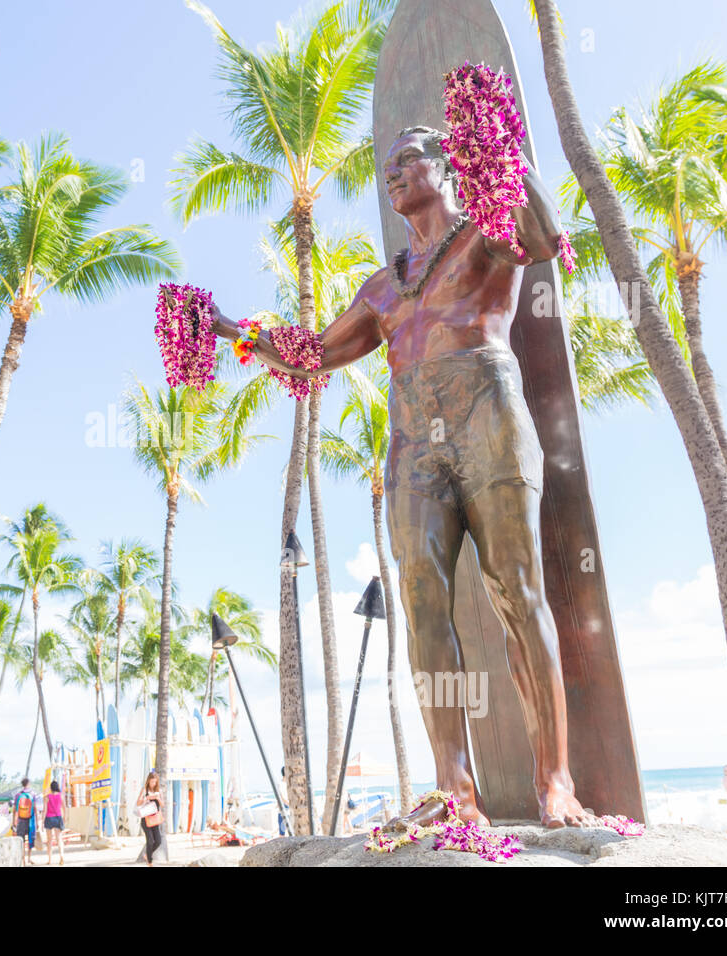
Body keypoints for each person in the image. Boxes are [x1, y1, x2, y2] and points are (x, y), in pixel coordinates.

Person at [209, 125, 591, 829]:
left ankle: (556, 782)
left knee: (518, 589)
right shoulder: (383, 286)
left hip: (489, 417)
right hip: (413, 440)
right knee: (420, 605)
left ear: (447, 166)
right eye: (388, 168)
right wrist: (230, 326)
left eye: (408, 160)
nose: (393, 174)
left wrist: (501, 141)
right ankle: (455, 792)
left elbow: (543, 239)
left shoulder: (484, 233)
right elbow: (313, 354)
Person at [135, 770, 164, 866]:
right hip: (146, 819)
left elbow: (162, 805)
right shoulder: (144, 790)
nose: (153, 784)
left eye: (155, 782)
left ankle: (148, 855)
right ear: (148, 781)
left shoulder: (159, 791)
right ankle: (149, 862)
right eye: (152, 782)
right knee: (150, 840)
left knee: (158, 841)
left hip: (155, 819)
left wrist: (157, 797)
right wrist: (146, 798)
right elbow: (138, 803)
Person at [12, 778, 38, 865]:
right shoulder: (33, 794)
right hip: (30, 820)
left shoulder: (18, 795)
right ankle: (29, 858)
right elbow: (35, 808)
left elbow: (14, 810)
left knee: (21, 840)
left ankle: (23, 860)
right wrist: (37, 821)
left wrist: (13, 822)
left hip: (21, 820)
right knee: (30, 839)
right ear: (28, 783)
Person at [42, 780, 67, 865]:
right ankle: (62, 857)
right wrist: (64, 818)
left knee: (49, 841)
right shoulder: (61, 796)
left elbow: (44, 810)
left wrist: (42, 822)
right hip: (58, 818)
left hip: (49, 819)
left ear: (51, 788)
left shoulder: (46, 797)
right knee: (59, 839)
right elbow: (64, 808)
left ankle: (49, 860)